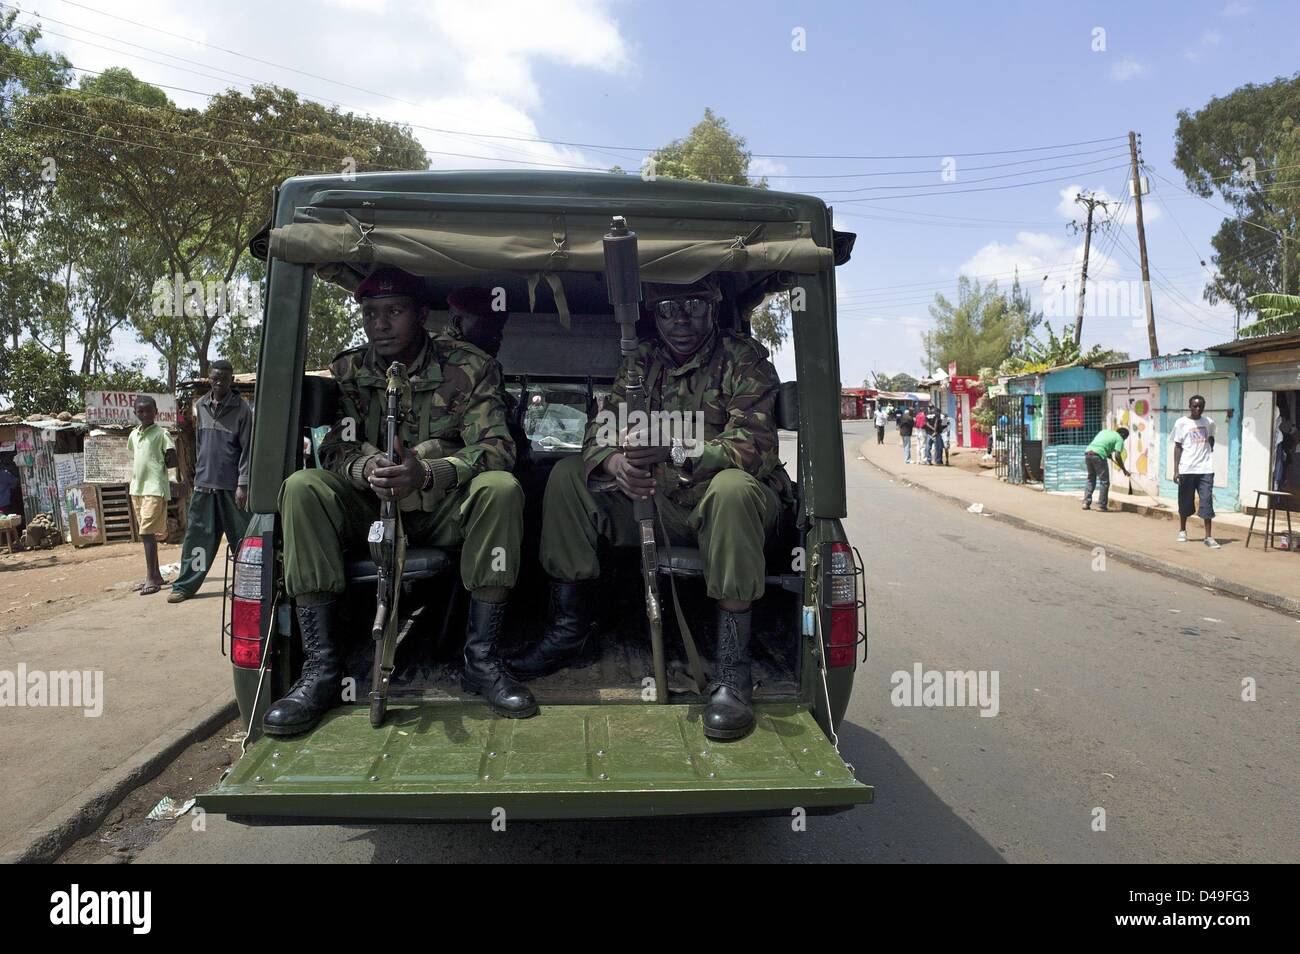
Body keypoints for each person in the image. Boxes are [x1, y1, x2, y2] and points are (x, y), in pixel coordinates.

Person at [262, 268, 532, 737]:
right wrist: (367, 469)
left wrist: (427, 469)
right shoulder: (349, 370)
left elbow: (497, 448)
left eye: (394, 312)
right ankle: (321, 670)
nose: (380, 324)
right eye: (370, 313)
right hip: (371, 507)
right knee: (303, 487)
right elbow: (333, 448)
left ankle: (481, 659)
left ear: (422, 315)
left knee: (501, 489)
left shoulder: (469, 366)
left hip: (442, 506)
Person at [516, 277, 787, 741]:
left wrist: (676, 450)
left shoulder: (744, 358)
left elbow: (755, 445)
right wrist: (616, 462)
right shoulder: (639, 361)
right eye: (667, 309)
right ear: (653, 315)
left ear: (713, 307)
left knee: (732, 490)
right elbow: (601, 430)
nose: (680, 320)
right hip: (657, 501)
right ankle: (569, 629)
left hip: (721, 506)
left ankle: (731, 668)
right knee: (567, 476)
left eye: (693, 306)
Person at [168, 359, 253, 603]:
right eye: (214, 378)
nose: (218, 383)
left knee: (243, 540)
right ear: (209, 377)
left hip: (231, 487)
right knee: (197, 537)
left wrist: (243, 484)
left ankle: (252, 585)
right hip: (204, 484)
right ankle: (184, 586)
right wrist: (197, 475)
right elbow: (199, 444)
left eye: (223, 379)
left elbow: (247, 449)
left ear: (231, 380)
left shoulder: (242, 409)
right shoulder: (201, 405)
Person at [127, 395, 177, 595]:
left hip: (155, 488)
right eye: (140, 411)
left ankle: (150, 579)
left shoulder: (162, 433)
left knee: (146, 533)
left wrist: (167, 458)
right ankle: (155, 575)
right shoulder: (133, 435)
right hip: (137, 489)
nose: (144, 414)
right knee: (147, 533)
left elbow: (172, 458)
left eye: (148, 411)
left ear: (156, 413)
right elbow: (137, 456)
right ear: (135, 413)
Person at [1172, 394, 1218, 548]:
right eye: (1195, 406)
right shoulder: (1181, 423)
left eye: (1201, 406)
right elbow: (1178, 447)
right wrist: (1176, 470)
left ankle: (1208, 537)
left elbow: (1211, 438)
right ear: (1190, 406)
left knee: (1206, 501)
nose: (1198, 409)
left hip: (1205, 469)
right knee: (1185, 501)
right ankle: (1182, 530)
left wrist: (1210, 447)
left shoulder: (1209, 422)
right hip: (1187, 469)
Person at [1082, 426, 1130, 511]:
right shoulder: (1119, 439)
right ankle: (1101, 505)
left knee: (1090, 479)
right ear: (1123, 435)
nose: (1124, 440)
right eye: (1125, 438)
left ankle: (1086, 503)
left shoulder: (1104, 432)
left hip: (1088, 453)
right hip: (1099, 456)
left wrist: (1108, 454)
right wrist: (1124, 469)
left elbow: (1101, 444)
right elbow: (1118, 456)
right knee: (1104, 481)